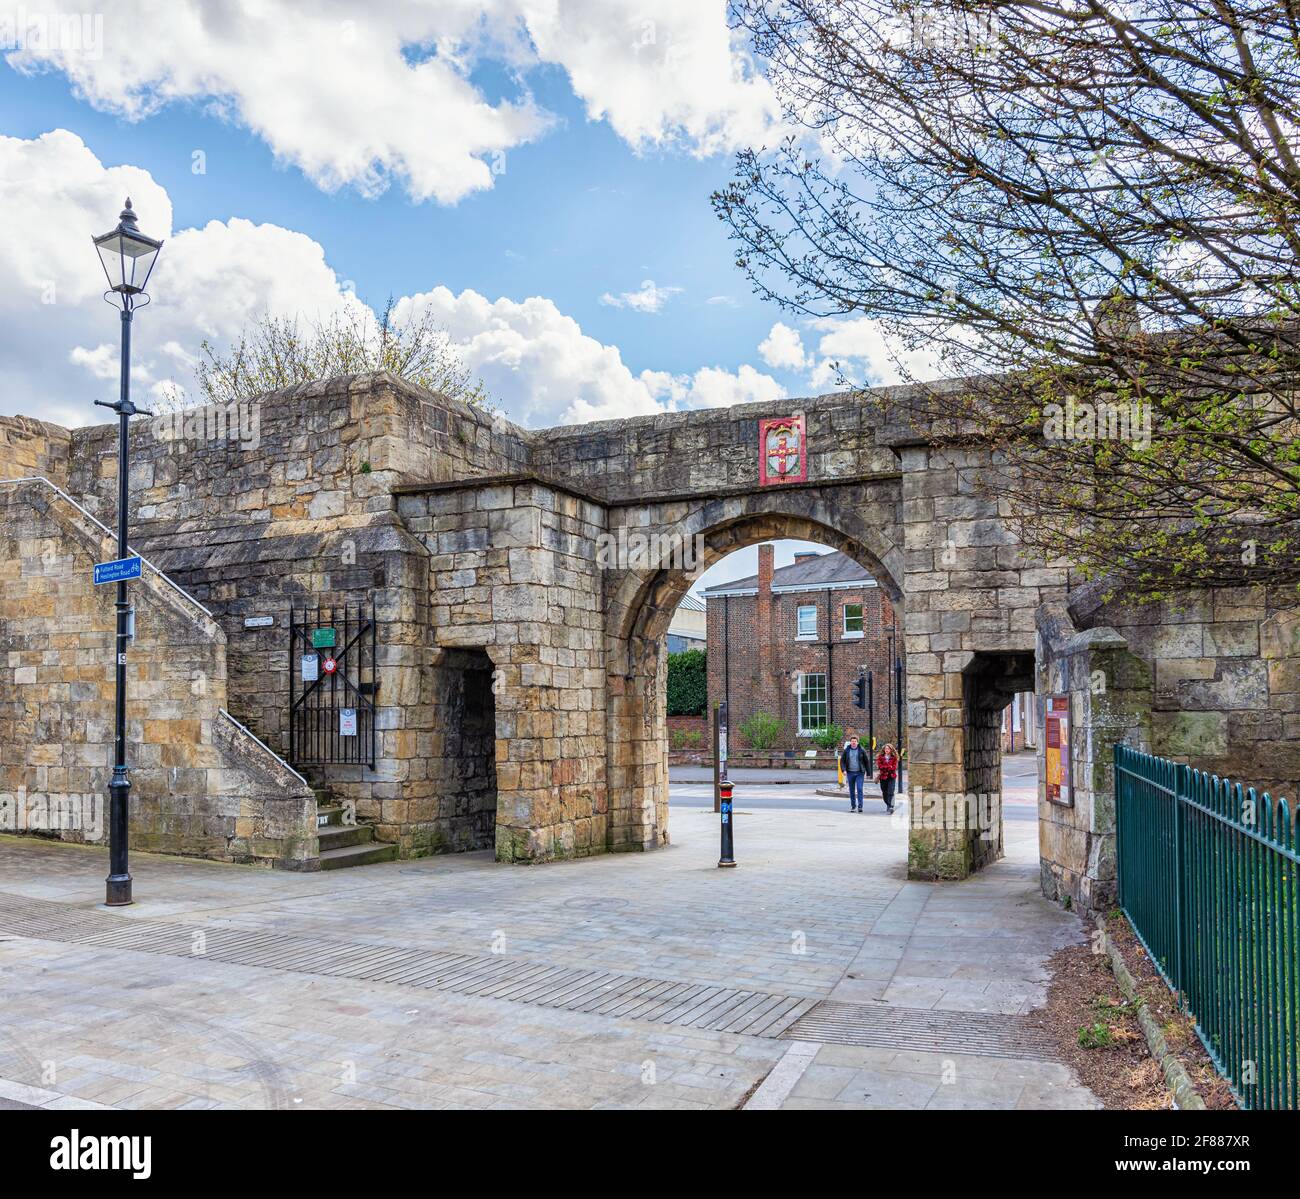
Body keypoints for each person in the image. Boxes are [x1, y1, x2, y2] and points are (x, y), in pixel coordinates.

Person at [840, 734, 867, 812]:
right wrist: (843, 770)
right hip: (850, 773)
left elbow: (866, 761)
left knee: (859, 789)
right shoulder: (847, 750)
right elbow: (842, 761)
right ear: (850, 742)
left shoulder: (862, 750)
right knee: (851, 790)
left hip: (860, 773)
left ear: (857, 742)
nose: (853, 742)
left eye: (855, 741)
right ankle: (853, 806)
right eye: (852, 741)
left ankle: (860, 806)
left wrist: (868, 773)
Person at [876, 743, 899, 813]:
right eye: (886, 749)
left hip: (891, 776)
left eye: (888, 749)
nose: (887, 750)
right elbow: (880, 767)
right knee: (884, 792)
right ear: (884, 749)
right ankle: (888, 804)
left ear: (891, 750)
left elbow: (894, 768)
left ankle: (891, 806)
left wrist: (885, 767)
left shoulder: (894, 757)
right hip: (883, 777)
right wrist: (889, 767)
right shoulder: (880, 757)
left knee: (891, 791)